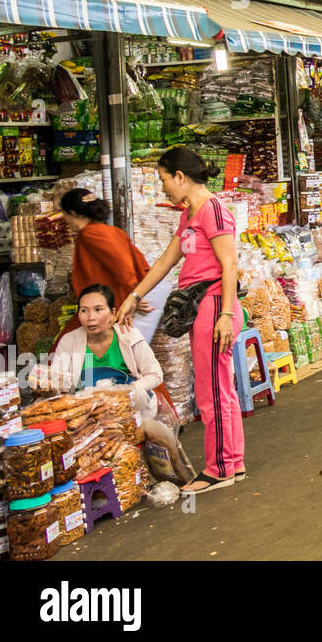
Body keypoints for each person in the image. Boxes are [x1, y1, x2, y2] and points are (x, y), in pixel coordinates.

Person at [117, 146, 243, 494]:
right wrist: (134, 296)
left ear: (180, 177)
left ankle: (219, 469)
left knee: (211, 390)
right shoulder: (190, 214)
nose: (163, 188)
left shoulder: (213, 212)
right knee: (219, 387)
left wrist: (227, 315)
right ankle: (233, 461)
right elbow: (164, 262)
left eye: (163, 180)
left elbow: (229, 265)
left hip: (215, 303)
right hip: (205, 306)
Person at [35, 284, 164, 423]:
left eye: (98, 309)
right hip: (84, 414)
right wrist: (48, 388)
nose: (90, 317)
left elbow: (155, 375)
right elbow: (58, 385)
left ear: (113, 313)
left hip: (128, 407)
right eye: (84, 311)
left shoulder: (129, 336)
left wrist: (130, 390)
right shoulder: (69, 341)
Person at [60, 188, 157, 341]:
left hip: (109, 307)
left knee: (67, 349)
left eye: (65, 214)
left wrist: (133, 297)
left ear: (73, 213)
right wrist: (138, 294)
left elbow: (123, 267)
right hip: (113, 305)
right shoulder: (114, 231)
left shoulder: (89, 235)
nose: (65, 220)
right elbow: (141, 264)